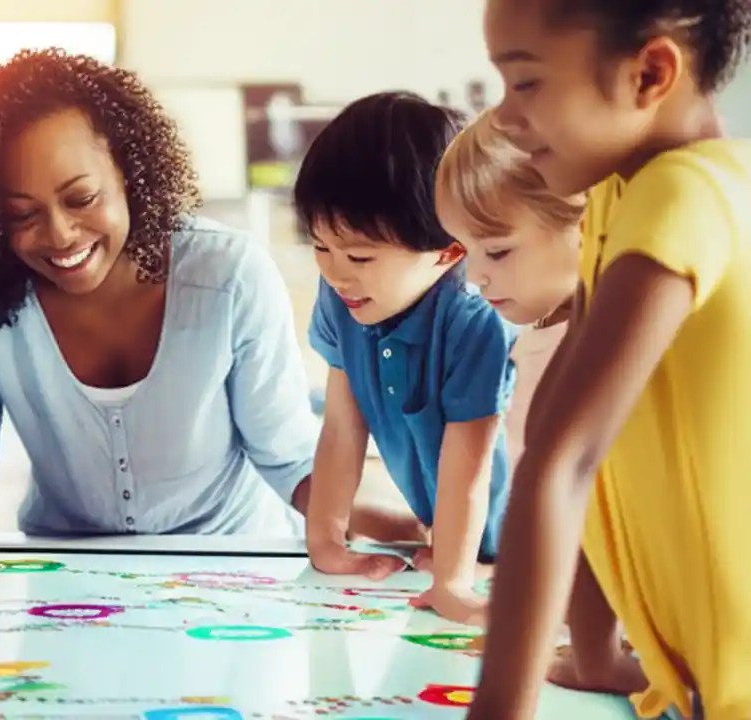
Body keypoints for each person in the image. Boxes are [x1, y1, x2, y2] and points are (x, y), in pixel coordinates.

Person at [0, 48, 319, 596]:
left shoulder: (229, 275)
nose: (60, 234)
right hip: (67, 577)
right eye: (22, 214)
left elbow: (290, 456)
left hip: (231, 571)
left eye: (82, 198)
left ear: (130, 174)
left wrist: (376, 522)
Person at [469, 1, 751, 718]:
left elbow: (561, 465)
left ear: (648, 74)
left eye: (525, 83)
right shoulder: (621, 196)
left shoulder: (682, 193)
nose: (504, 118)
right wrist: (595, 654)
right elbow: (570, 452)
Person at [296, 92, 516, 626]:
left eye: (360, 256)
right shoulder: (344, 297)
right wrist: (327, 542)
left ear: (449, 251)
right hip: (450, 537)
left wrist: (454, 580)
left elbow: (469, 462)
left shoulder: (475, 319)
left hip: (526, 544)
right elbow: (341, 427)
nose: (336, 272)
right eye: (320, 246)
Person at [436, 107, 584, 470]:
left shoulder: (602, 353)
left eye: (497, 252)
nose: (474, 276)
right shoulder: (540, 336)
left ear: (584, 223)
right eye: (464, 250)